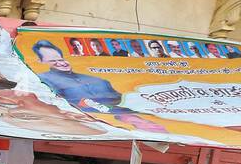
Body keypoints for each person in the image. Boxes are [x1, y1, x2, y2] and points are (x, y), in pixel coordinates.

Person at [30, 40, 168, 133]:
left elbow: (121, 99)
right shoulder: (42, 79)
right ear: (41, 61)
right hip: (82, 125)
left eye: (61, 59)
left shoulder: (97, 79)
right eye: (53, 61)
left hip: (125, 121)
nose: (61, 63)